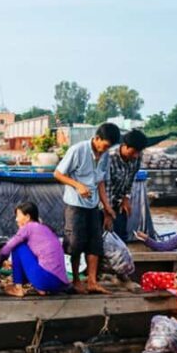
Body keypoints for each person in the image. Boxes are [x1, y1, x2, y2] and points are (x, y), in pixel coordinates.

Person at [54, 122, 121, 294]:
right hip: (75, 205)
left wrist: (107, 207)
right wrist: (78, 185)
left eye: (109, 147)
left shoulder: (105, 155)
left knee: (95, 243)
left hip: (93, 205)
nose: (105, 150)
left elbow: (100, 182)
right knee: (75, 244)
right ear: (97, 138)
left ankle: (92, 281)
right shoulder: (77, 150)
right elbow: (58, 174)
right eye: (105, 146)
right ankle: (76, 280)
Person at [0, 202, 69, 297]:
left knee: (18, 246)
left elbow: (8, 247)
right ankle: (41, 288)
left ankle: (18, 288)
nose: (16, 219)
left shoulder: (28, 227)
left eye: (18, 216)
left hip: (45, 279)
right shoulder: (45, 228)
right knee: (29, 251)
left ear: (27, 217)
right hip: (59, 283)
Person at [106, 129, 148, 242]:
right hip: (103, 204)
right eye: (133, 152)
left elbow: (131, 179)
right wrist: (107, 213)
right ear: (125, 145)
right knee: (104, 237)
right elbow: (106, 186)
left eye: (138, 152)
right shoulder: (109, 158)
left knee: (120, 237)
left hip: (119, 203)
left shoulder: (137, 157)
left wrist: (126, 197)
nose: (136, 156)